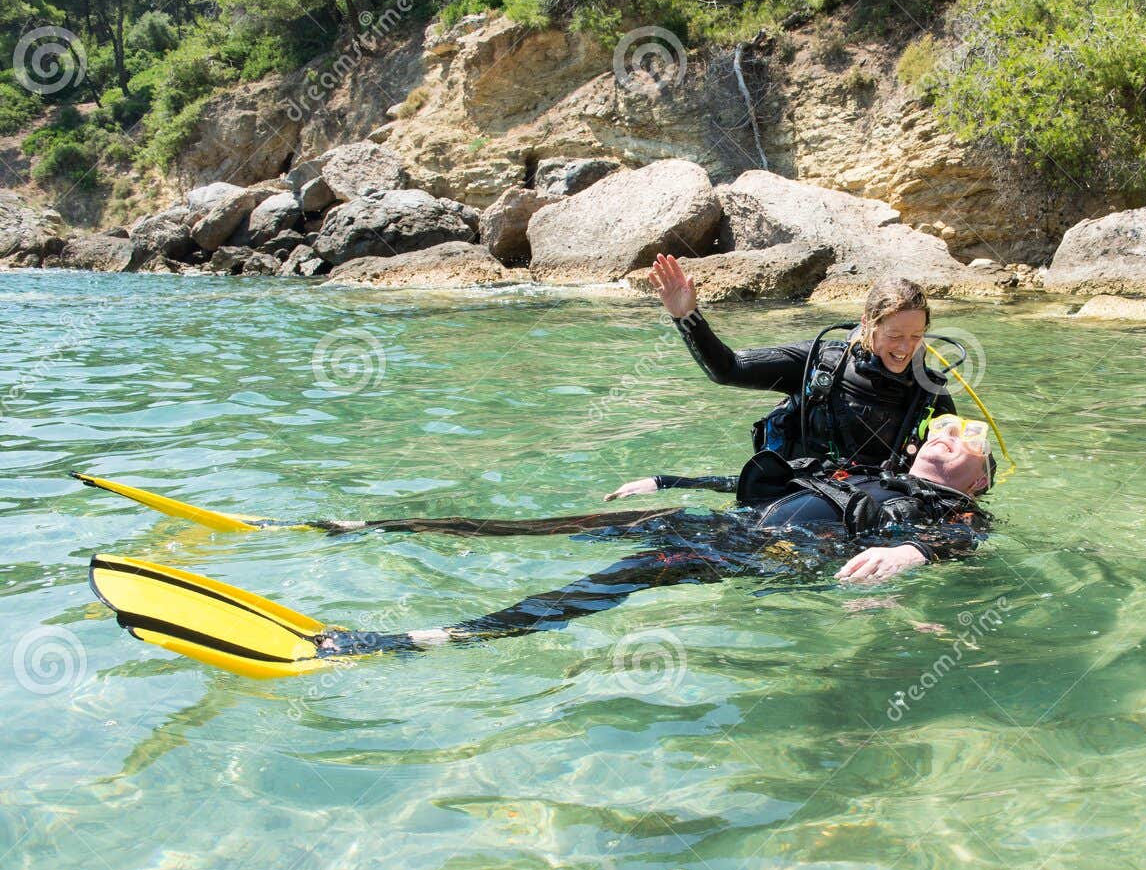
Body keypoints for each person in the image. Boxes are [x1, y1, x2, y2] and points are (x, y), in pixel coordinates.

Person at [87, 417, 998, 678]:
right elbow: (771, 482)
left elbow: (965, 540)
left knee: (618, 577)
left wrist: (917, 558)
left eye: (963, 440)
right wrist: (665, 485)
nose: (944, 435)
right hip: (727, 522)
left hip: (766, 563)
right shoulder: (860, 465)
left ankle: (409, 641)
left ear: (977, 476)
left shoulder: (946, 513)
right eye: (940, 429)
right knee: (553, 526)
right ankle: (343, 528)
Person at [646, 254, 959, 474]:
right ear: (867, 325)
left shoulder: (928, 393)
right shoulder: (820, 363)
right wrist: (687, 317)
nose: (905, 348)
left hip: (873, 515)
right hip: (803, 497)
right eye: (895, 335)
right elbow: (727, 369)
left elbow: (961, 467)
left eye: (916, 335)